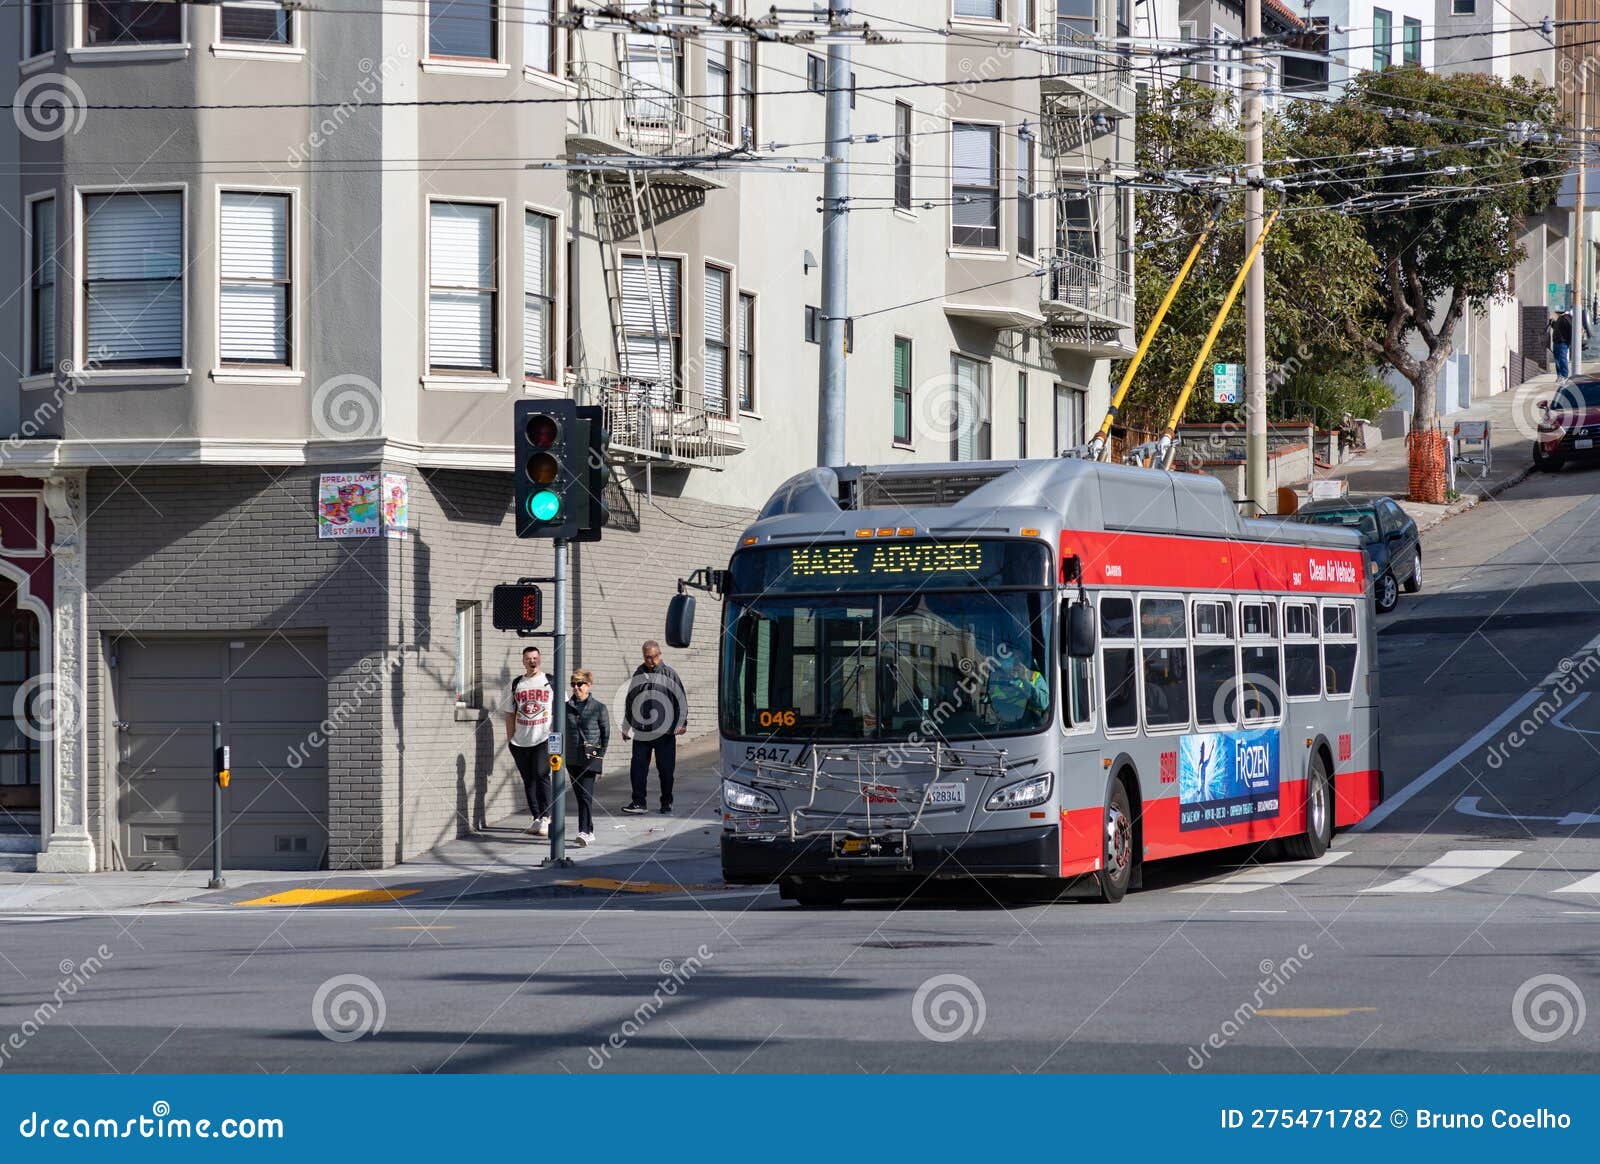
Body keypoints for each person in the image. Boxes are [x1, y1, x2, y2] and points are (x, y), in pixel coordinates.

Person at [622, 640, 687, 815]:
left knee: (665, 771)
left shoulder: (669, 674)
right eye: (646, 657)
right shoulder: (639, 673)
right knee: (637, 769)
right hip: (641, 732)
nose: (650, 660)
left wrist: (681, 724)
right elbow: (630, 700)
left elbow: (680, 701)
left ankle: (666, 802)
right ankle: (638, 802)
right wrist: (626, 725)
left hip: (664, 732)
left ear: (659, 655)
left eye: (652, 657)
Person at [503, 646, 554, 837]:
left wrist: (556, 733)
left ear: (539, 660)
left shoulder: (550, 682)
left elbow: (562, 708)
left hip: (543, 737)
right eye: (528, 658)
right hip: (520, 740)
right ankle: (537, 817)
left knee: (541, 774)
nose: (532, 661)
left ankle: (547, 816)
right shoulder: (516, 684)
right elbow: (509, 712)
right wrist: (510, 738)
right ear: (523, 661)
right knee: (528, 780)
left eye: (535, 658)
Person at [564, 668, 610, 846]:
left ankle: (584, 831)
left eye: (580, 684)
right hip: (572, 758)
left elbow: (605, 734)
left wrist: (600, 755)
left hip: (590, 757)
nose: (576, 688)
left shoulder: (599, 708)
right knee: (579, 795)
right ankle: (589, 830)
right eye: (573, 684)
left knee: (585, 795)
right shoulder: (565, 708)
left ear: (589, 685)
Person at [988, 646, 1048, 726]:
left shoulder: (1034, 676)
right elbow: (987, 702)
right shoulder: (995, 677)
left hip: (1028, 729)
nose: (1013, 661)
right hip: (999, 726)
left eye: (1017, 659)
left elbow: (1043, 704)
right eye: (1009, 657)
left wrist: (1025, 680)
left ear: (1023, 660)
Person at [1552, 310, 1573, 380]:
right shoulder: (1560, 319)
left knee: (1562, 359)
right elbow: (1558, 329)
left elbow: (1570, 330)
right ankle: (1560, 375)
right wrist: (1552, 323)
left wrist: (1569, 342)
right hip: (1557, 342)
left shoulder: (1566, 318)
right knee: (1557, 359)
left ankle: (1564, 375)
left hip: (1562, 343)